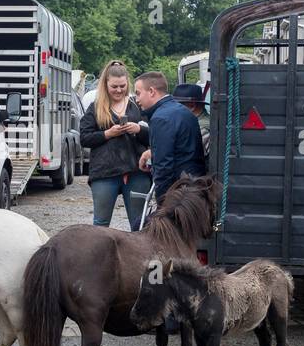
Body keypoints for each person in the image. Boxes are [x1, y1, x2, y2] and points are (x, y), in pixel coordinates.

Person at [79, 60, 152, 231]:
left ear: (128, 83)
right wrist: (107, 134)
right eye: (114, 86)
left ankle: (139, 257)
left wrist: (139, 129)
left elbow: (154, 136)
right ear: (105, 84)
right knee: (101, 225)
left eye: (122, 86)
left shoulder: (137, 105)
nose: (119, 90)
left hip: (136, 172)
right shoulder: (95, 107)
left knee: (139, 224)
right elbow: (84, 138)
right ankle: (100, 257)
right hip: (105, 172)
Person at [134, 71, 206, 203]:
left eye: (138, 93)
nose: (137, 99)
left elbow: (163, 166)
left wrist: (163, 202)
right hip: (194, 186)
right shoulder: (183, 111)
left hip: (178, 192)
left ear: (151, 91)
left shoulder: (160, 118)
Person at [173, 82, 210, 155]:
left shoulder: (202, 127)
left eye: (177, 106)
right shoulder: (194, 122)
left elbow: (184, 152)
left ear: (192, 106)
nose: (173, 110)